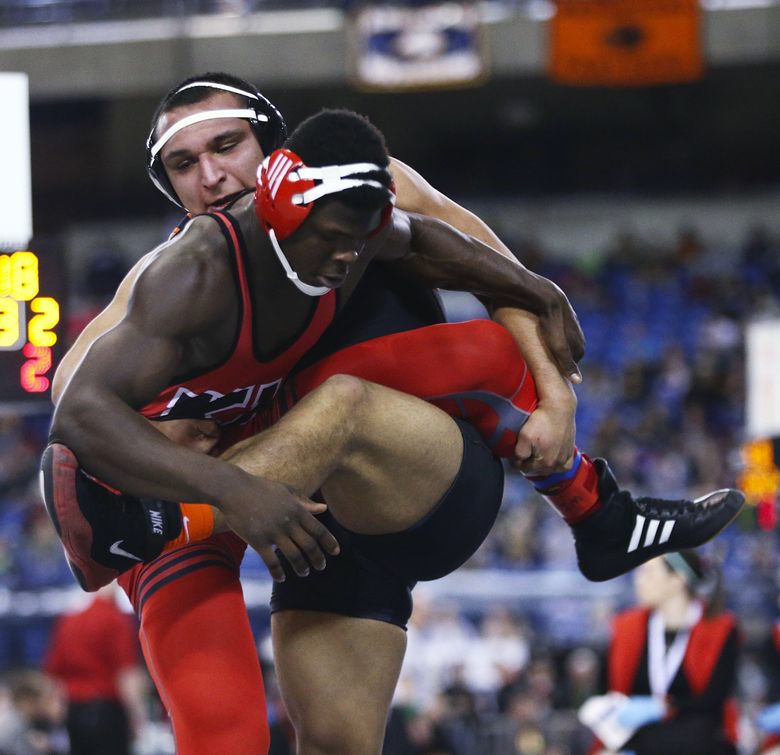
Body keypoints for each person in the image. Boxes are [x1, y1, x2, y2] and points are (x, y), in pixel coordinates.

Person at [45, 82, 743, 755]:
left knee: (376, 385)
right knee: (245, 736)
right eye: (184, 164)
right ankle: (159, 523)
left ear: (279, 151)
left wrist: (554, 368)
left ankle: (596, 508)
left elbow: (464, 256)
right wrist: (161, 468)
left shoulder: (348, 199)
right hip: (241, 492)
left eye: (227, 145)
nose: (212, 176)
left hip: (347, 467)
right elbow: (74, 402)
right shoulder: (184, 271)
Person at [581, 551, 740, 755]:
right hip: (636, 739)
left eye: (647, 573)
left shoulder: (720, 630)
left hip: (698, 742)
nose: (638, 581)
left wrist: (662, 707)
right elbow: (606, 691)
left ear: (677, 579)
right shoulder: (626, 628)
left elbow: (713, 702)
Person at [44, 584, 147, 755]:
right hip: (107, 712)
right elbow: (127, 675)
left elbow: (54, 672)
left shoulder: (69, 620)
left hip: (74, 711)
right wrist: (137, 716)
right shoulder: (115, 619)